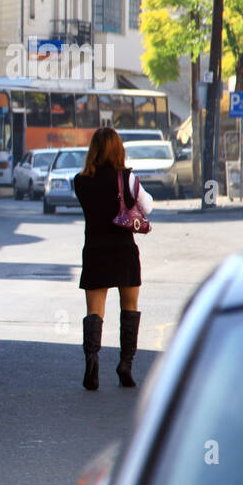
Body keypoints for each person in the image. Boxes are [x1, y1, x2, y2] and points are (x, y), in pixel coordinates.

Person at [72, 126, 153, 390]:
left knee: (94, 311)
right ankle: (125, 365)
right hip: (123, 250)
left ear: (93, 149)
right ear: (119, 149)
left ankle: (92, 361)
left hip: (95, 250)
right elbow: (147, 206)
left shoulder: (80, 180)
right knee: (129, 308)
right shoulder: (128, 178)